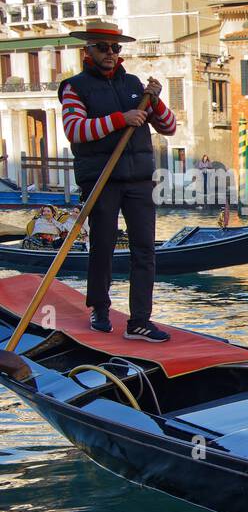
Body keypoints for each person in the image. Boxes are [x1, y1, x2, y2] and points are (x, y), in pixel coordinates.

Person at [60, 22, 176, 341]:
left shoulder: (135, 85)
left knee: (144, 250)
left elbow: (169, 127)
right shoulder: (74, 87)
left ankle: (139, 320)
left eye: (115, 48)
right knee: (103, 246)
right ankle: (99, 307)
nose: (110, 53)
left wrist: (154, 101)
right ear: (88, 50)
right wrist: (120, 120)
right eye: (103, 47)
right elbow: (75, 130)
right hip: (101, 178)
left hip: (139, 179)